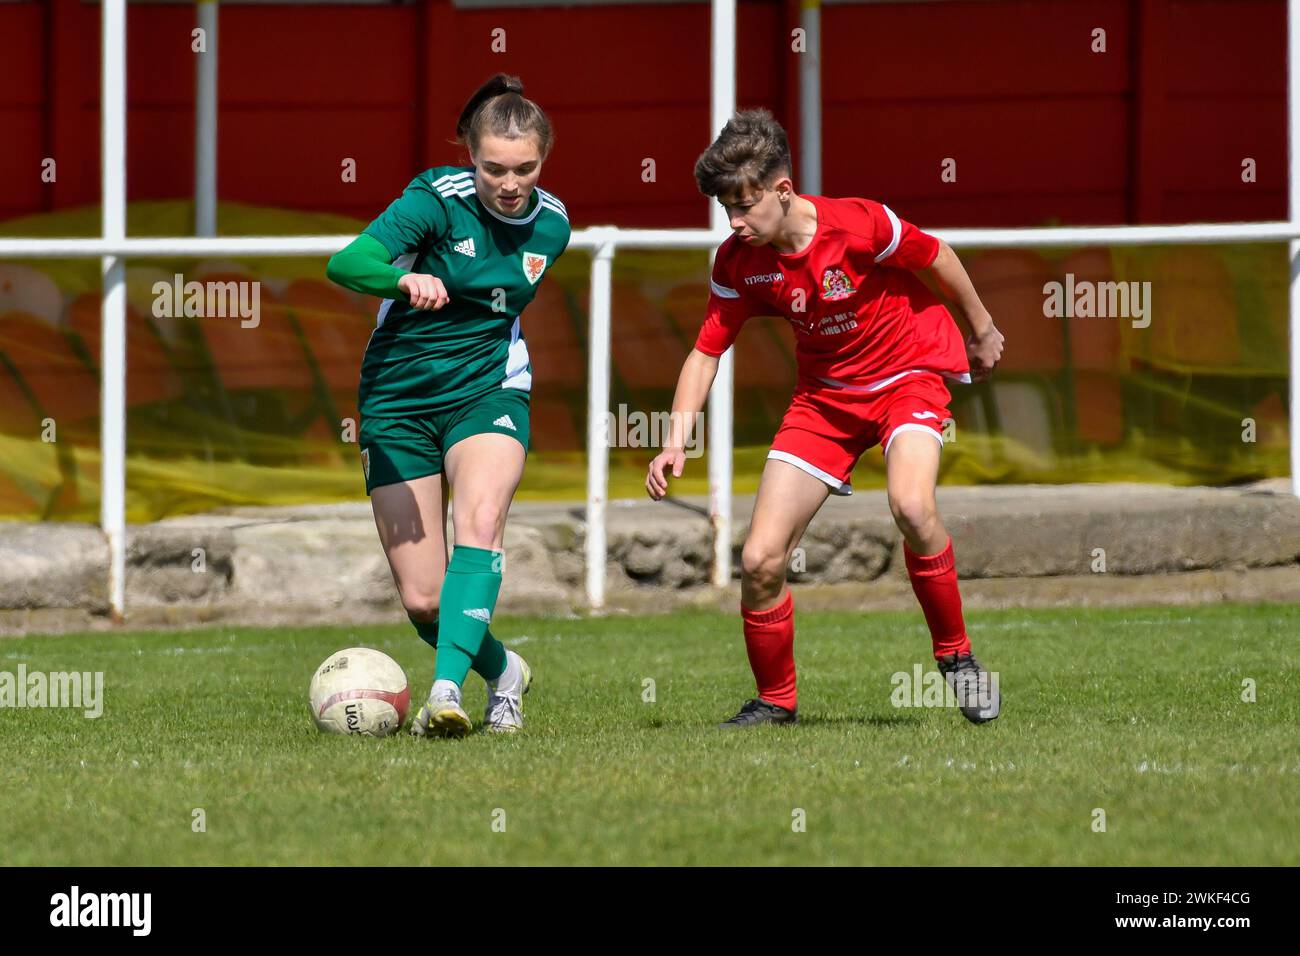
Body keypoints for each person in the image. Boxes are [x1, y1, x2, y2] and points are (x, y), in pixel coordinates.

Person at [646, 109, 1005, 728]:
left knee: (912, 507)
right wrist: (674, 441)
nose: (733, 221)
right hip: (825, 400)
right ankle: (775, 702)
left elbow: (937, 255)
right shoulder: (738, 262)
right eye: (724, 208)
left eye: (744, 204)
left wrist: (982, 328)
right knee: (759, 559)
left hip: (907, 375)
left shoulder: (859, 223)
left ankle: (958, 659)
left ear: (783, 191)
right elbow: (706, 353)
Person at [325, 73, 570, 737]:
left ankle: (444, 691)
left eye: (525, 168)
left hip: (488, 391)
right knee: (426, 598)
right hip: (397, 401)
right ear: (471, 156)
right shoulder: (436, 197)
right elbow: (347, 263)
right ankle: (505, 670)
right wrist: (401, 279)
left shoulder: (553, 226)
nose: (510, 183)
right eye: (494, 168)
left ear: (544, 160)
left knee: (481, 521)